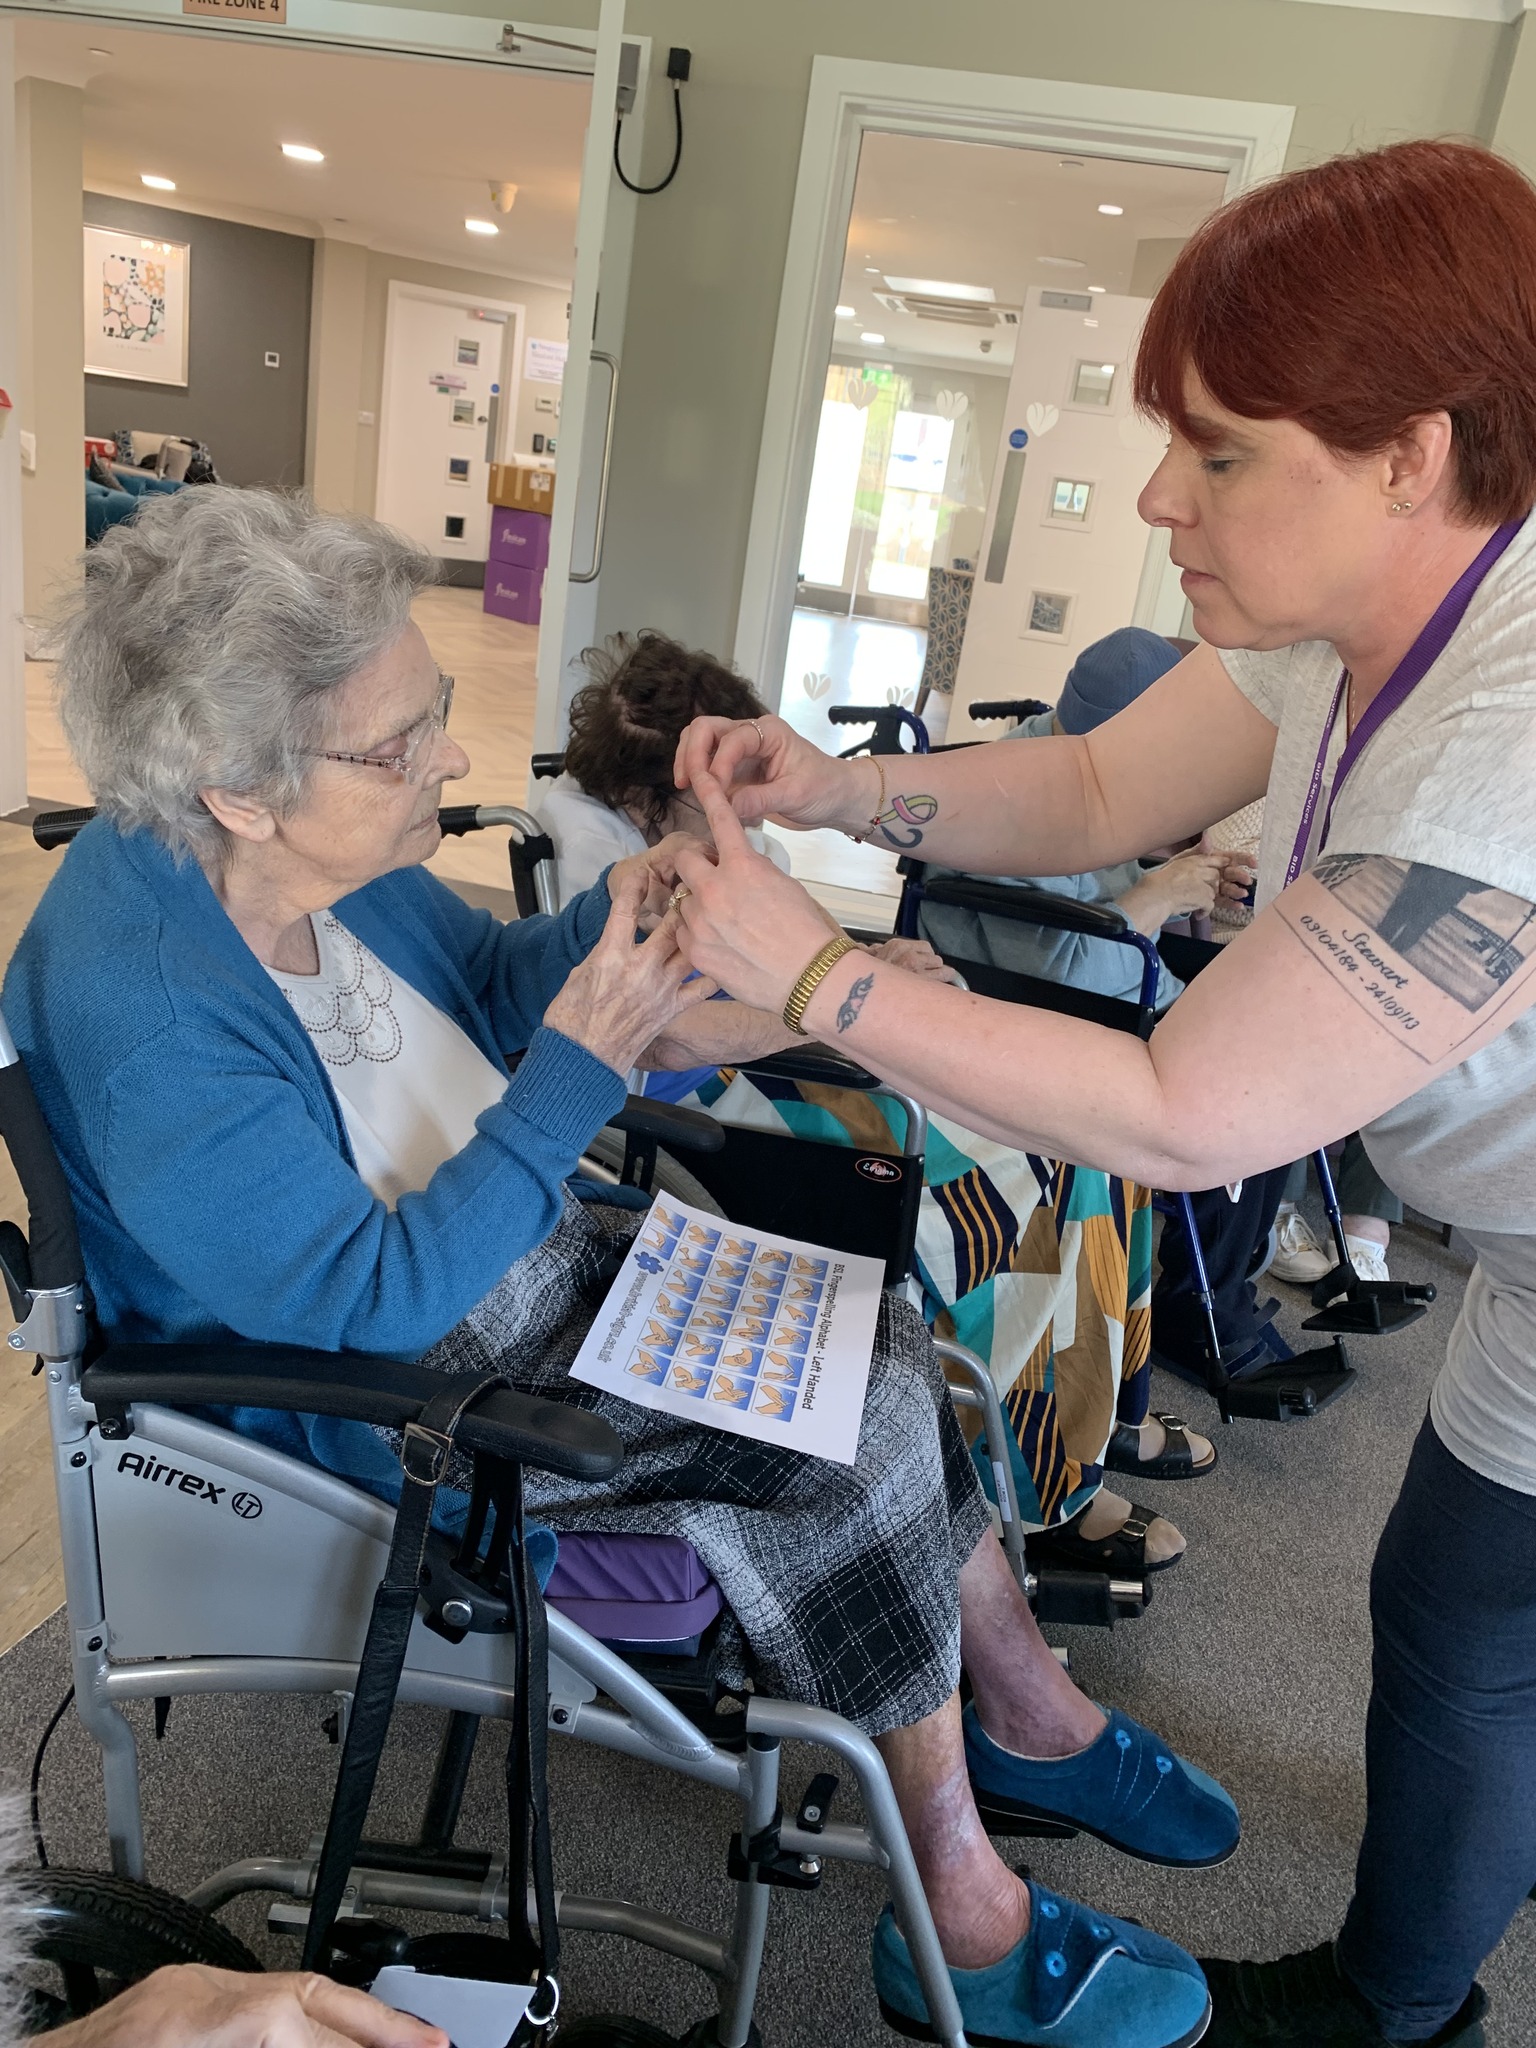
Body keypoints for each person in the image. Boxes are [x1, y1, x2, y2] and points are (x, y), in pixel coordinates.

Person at [2, 487, 1231, 2048]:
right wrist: (583, 1065)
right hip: (378, 1396)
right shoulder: (148, 1012)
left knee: (870, 1316)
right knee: (846, 1429)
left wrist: (623, 914)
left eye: (432, 715)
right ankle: (964, 1919)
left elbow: (488, 978)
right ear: (239, 789)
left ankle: (1028, 1714)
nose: (449, 760)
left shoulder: (305, 851)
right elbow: (369, 1300)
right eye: (402, 742)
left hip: (495, 1260)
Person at [671, 137, 1536, 2048]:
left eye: (1218, 450)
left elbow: (1184, 1110)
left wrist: (811, 971)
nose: (1157, 493)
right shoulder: (1365, 618)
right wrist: (842, 790)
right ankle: (1417, 1974)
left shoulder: (1510, 731)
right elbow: (1088, 788)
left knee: (1476, 1625)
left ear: (1412, 453)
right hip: (1517, 1237)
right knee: (1470, 1611)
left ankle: (1397, 2014)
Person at [541, 629, 1205, 1569]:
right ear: (648, 798)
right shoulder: (611, 872)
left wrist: (870, 968)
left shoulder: (706, 845)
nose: (741, 814)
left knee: (1089, 1141)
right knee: (1014, 1194)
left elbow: (791, 952)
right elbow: (666, 1036)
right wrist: (838, 1002)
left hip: (791, 1053)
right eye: (711, 791)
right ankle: (1029, 1483)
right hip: (722, 1097)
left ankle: (1091, 1418)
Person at [917, 625, 1291, 1401]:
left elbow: (1098, 886)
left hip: (1109, 973)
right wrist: (1158, 894)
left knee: (1276, 1025)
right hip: (1046, 1000)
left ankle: (1217, 1280)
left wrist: (1178, 878)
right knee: (1248, 1084)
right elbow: (1062, 969)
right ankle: (1195, 1304)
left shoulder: (1053, 753)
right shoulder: (1017, 804)